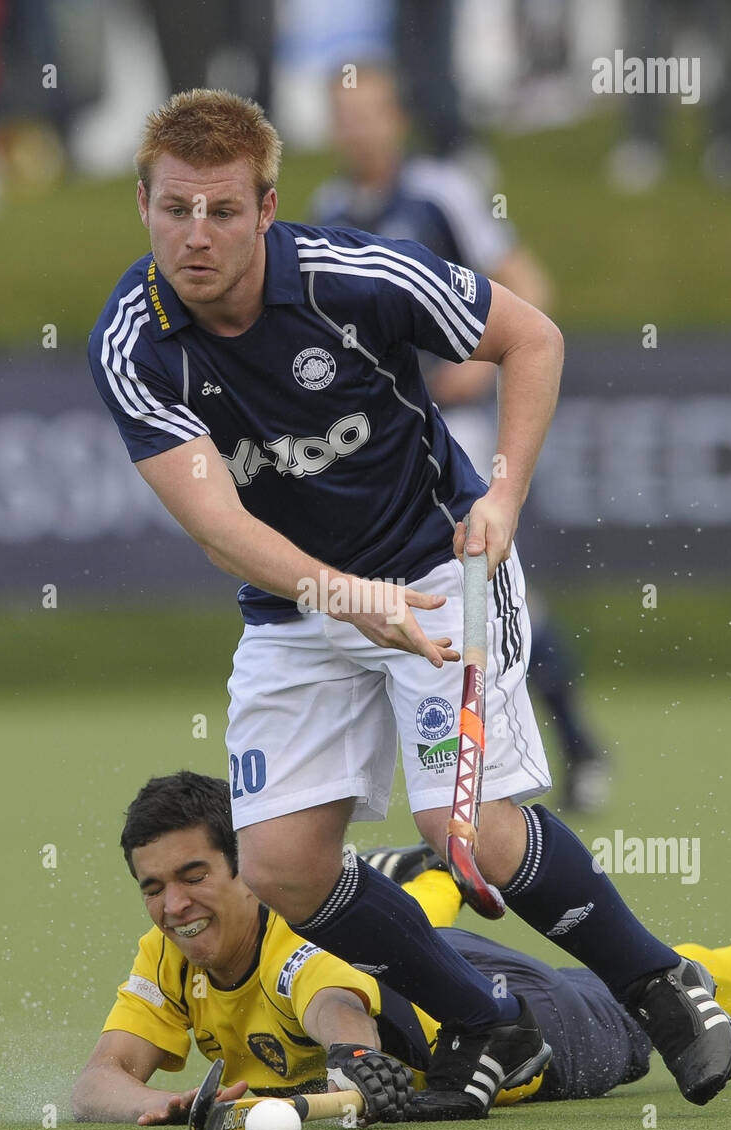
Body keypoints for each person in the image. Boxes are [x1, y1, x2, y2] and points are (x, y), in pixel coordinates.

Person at [87, 88, 731, 1121]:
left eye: (220, 210)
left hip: (436, 570)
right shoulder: (133, 340)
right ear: (142, 204)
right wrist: (345, 599)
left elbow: (532, 339)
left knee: (464, 828)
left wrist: (508, 495)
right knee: (279, 863)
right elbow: (217, 527)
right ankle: (485, 1017)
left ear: (267, 206)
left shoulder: (354, 275)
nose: (195, 235)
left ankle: (659, 981)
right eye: (174, 210)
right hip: (298, 609)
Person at [70, 772, 731, 1125]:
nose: (174, 907)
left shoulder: (292, 935)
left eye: (193, 876)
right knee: (416, 927)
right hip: (428, 965)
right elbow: (97, 1083)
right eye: (153, 887)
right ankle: (422, 878)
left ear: (247, 867)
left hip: (521, 1030)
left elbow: (331, 1003)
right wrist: (163, 1104)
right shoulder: (166, 953)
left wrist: (353, 1063)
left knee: (636, 1008)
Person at [309, 62, 611, 813]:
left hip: (457, 431)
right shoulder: (326, 208)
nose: (357, 129)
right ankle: (425, 770)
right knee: (414, 602)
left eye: (370, 113)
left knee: (494, 592)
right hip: (380, 448)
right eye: (343, 116)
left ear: (398, 119)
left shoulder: (440, 192)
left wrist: (477, 373)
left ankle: (567, 749)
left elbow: (529, 286)